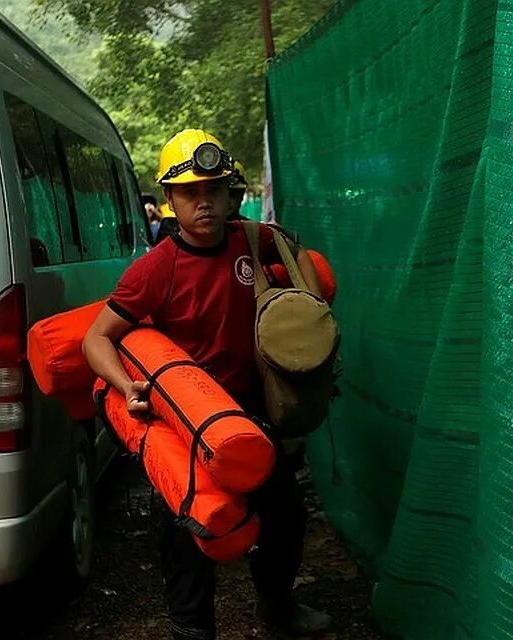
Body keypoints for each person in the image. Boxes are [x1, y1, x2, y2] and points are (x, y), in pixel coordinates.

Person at [82, 129, 332, 640]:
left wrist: (303, 295)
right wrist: (127, 386)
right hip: (186, 418)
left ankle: (277, 607)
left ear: (230, 195)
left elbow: (300, 260)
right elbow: (96, 339)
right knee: (188, 530)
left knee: (283, 512)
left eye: (214, 191)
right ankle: (192, 631)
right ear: (170, 201)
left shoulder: (251, 239)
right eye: (191, 193)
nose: (205, 203)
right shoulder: (154, 270)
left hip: (249, 407)